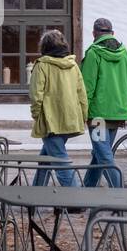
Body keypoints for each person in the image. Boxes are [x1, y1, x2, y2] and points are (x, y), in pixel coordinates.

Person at [28, 28, 88, 186]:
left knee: (60, 163)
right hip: (70, 119)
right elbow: (81, 93)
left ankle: (75, 200)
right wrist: (83, 115)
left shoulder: (41, 66)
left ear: (44, 46)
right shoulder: (73, 65)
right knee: (45, 160)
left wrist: (37, 116)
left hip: (50, 121)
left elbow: (36, 95)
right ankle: (35, 194)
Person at [81, 17, 127, 187]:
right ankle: (85, 192)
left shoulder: (93, 53)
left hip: (98, 117)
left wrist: (83, 111)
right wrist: (124, 104)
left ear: (94, 34)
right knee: (100, 154)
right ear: (112, 33)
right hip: (118, 113)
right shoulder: (125, 53)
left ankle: (120, 195)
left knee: (104, 156)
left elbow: (86, 87)